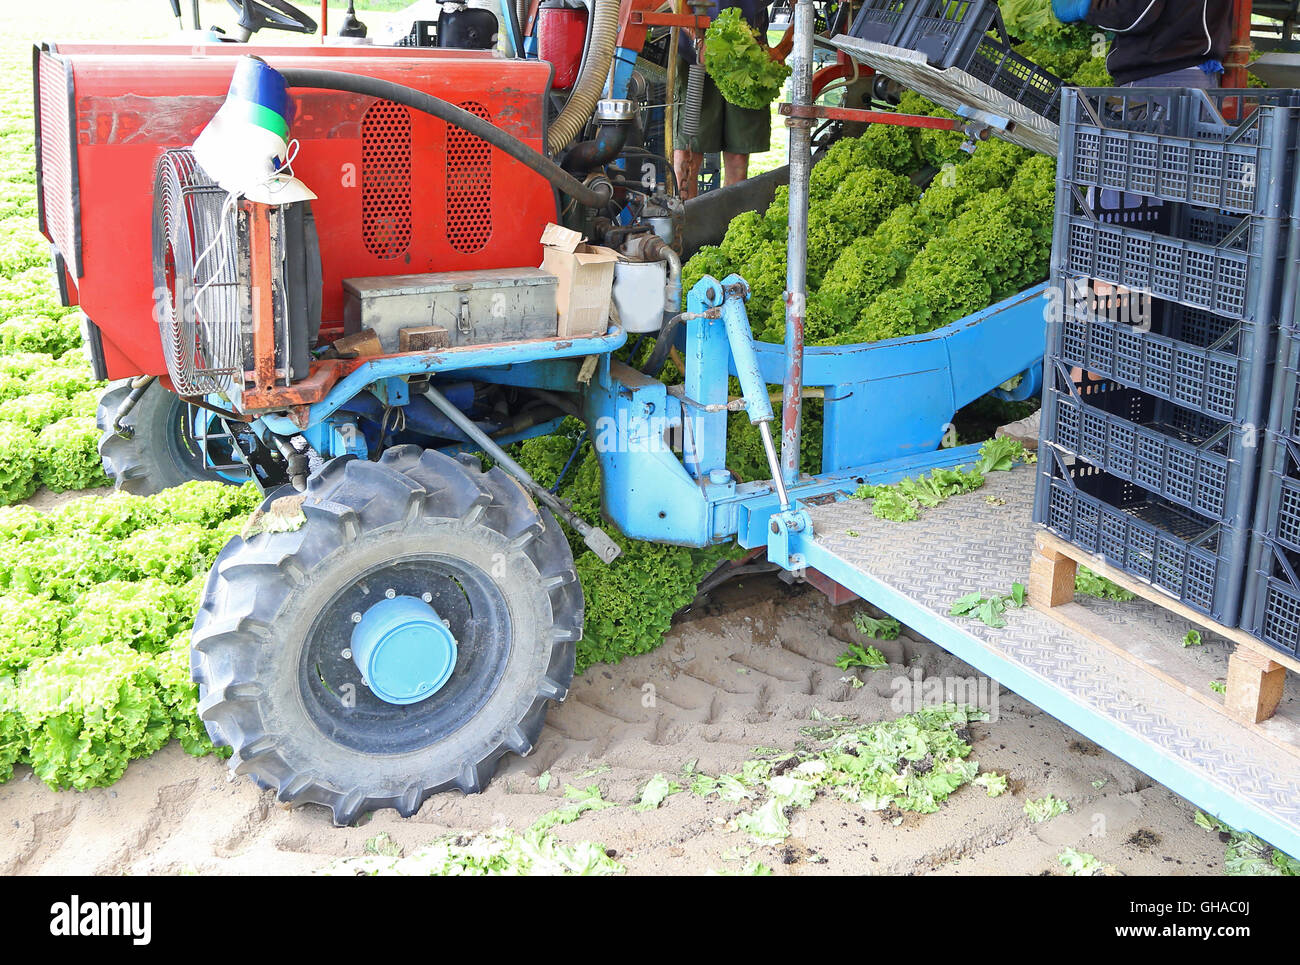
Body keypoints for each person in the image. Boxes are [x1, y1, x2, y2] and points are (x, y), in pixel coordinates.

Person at [996, 0, 1235, 450]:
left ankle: (1072, 409)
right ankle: (1107, 409)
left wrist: (1086, 4)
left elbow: (1134, 10)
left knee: (1110, 257)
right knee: (1147, 260)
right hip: (1181, 88)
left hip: (1162, 93)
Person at [673, 1, 791, 200]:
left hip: (747, 61)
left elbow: (804, 8)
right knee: (688, 156)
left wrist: (782, 49)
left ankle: (730, 229)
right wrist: (698, 39)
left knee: (738, 156)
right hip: (694, 55)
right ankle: (684, 228)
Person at [1051, 0, 1233, 88]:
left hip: (1159, 81)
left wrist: (1086, 6)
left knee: (1144, 160)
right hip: (1194, 75)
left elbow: (1133, 11)